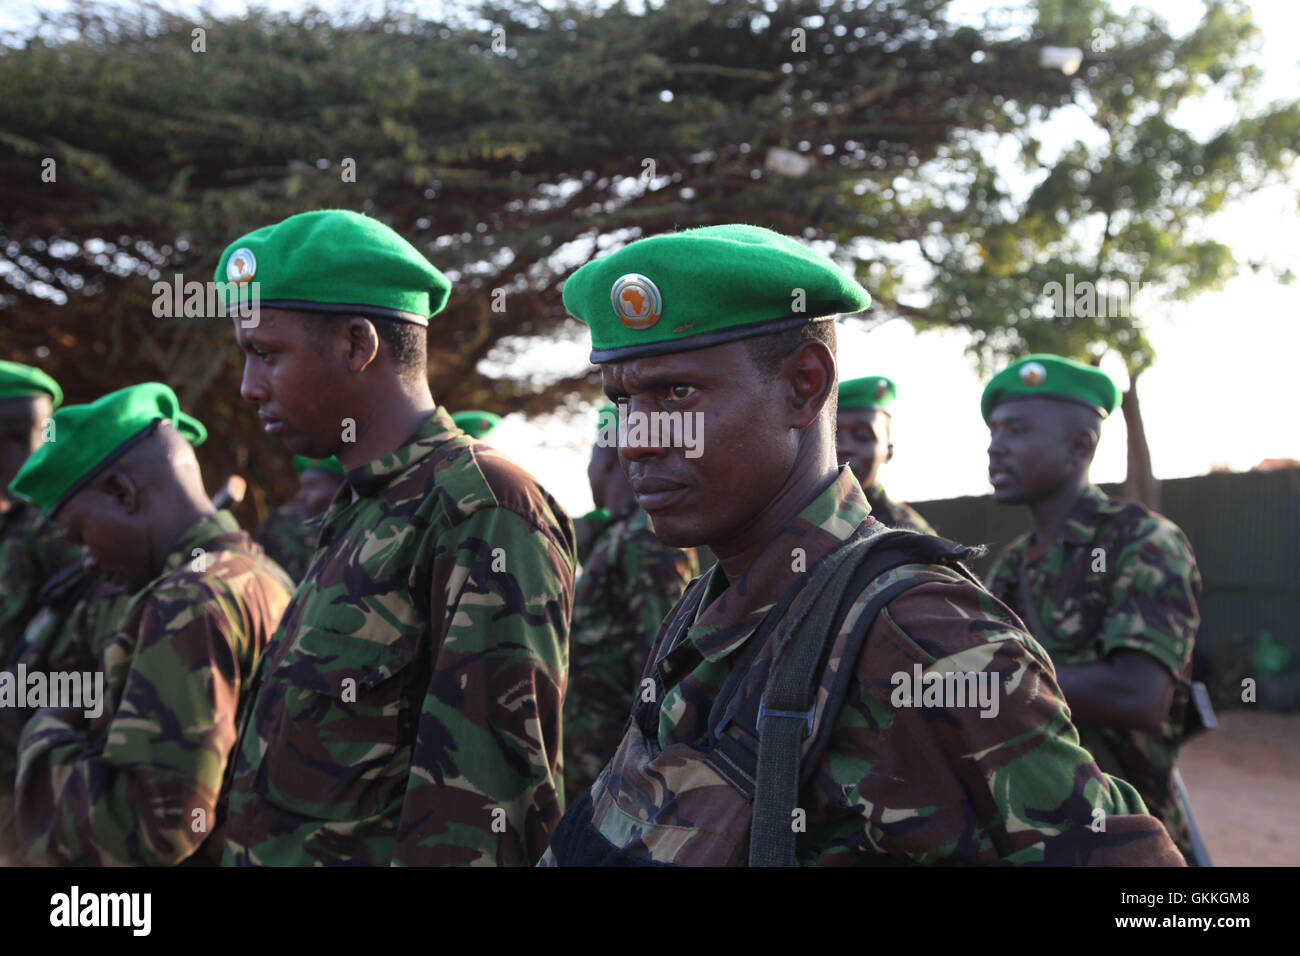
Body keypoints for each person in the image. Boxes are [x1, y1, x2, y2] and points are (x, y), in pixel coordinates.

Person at [540, 224, 1183, 866]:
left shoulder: (920, 636)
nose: (636, 439)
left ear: (804, 386)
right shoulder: (710, 605)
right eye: (622, 399)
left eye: (678, 392)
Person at [217, 209, 575, 866]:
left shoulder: (480, 507)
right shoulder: (367, 507)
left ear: (357, 344)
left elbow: (487, 819)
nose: (248, 386)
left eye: (266, 354)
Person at [7, 383, 293, 865]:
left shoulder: (186, 600)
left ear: (122, 492)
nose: (87, 560)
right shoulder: (262, 574)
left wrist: (45, 731)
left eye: (80, 534)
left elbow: (151, 827)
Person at [981, 353, 1202, 864]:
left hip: (1129, 832)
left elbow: (1137, 695)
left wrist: (989, 680)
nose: (996, 447)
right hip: (1036, 826)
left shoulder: (1142, 540)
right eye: (993, 432)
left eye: (1016, 430)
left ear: (1081, 444)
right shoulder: (1013, 564)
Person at [563, 404, 698, 802]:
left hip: (618, 775)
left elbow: (663, 665)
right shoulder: (618, 534)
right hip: (591, 763)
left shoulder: (646, 537)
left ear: (607, 459)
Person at [836, 375, 936, 534]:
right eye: (831, 435)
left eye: (862, 436)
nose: (842, 447)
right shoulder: (793, 516)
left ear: (888, 452)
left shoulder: (907, 533)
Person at [253, 455, 345, 581]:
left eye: (311, 486)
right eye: (303, 486)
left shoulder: (366, 525)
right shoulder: (281, 522)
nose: (300, 495)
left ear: (340, 488)